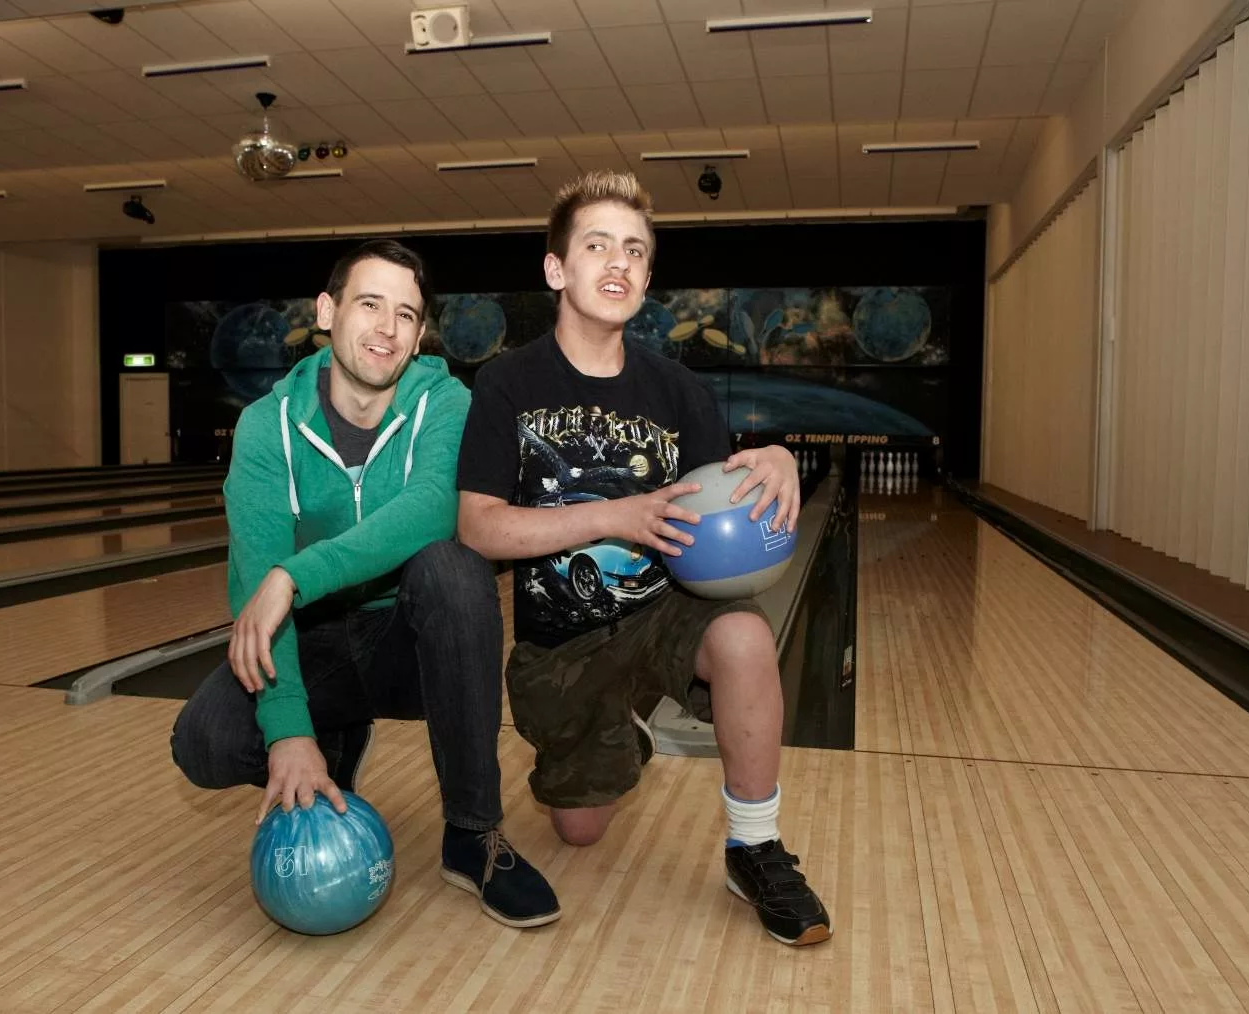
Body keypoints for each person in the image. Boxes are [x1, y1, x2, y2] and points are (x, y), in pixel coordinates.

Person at [454, 172, 832, 946]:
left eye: (634, 250)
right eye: (597, 246)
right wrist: (612, 515)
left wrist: (778, 465)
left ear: (648, 277)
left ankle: (753, 847)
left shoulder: (682, 392)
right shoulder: (506, 386)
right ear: (558, 269)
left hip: (663, 611)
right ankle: (626, 734)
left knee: (744, 636)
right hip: (562, 646)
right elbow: (479, 530)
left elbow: (719, 523)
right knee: (580, 830)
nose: (618, 263)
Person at [170, 239, 559, 930]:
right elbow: (256, 591)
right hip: (315, 640)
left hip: (412, 642)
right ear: (327, 310)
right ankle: (332, 739)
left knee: (454, 567)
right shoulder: (268, 427)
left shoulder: (445, 402)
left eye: (406, 314)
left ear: (419, 335)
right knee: (205, 741)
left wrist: (297, 573)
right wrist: (289, 729)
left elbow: (436, 507)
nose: (387, 326)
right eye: (370, 304)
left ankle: (474, 834)